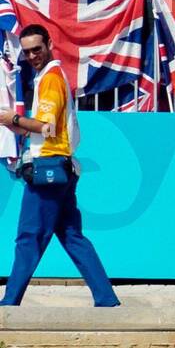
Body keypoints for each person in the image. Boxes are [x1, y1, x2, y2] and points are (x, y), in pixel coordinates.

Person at [0, 24, 119, 308]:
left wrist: (12, 120)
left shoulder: (51, 78)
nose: (31, 55)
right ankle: (106, 299)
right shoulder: (50, 76)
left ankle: (9, 303)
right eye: (27, 51)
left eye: (36, 49)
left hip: (48, 170)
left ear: (49, 44)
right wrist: (18, 125)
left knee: (29, 238)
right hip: (60, 168)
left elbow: (47, 128)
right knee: (72, 236)